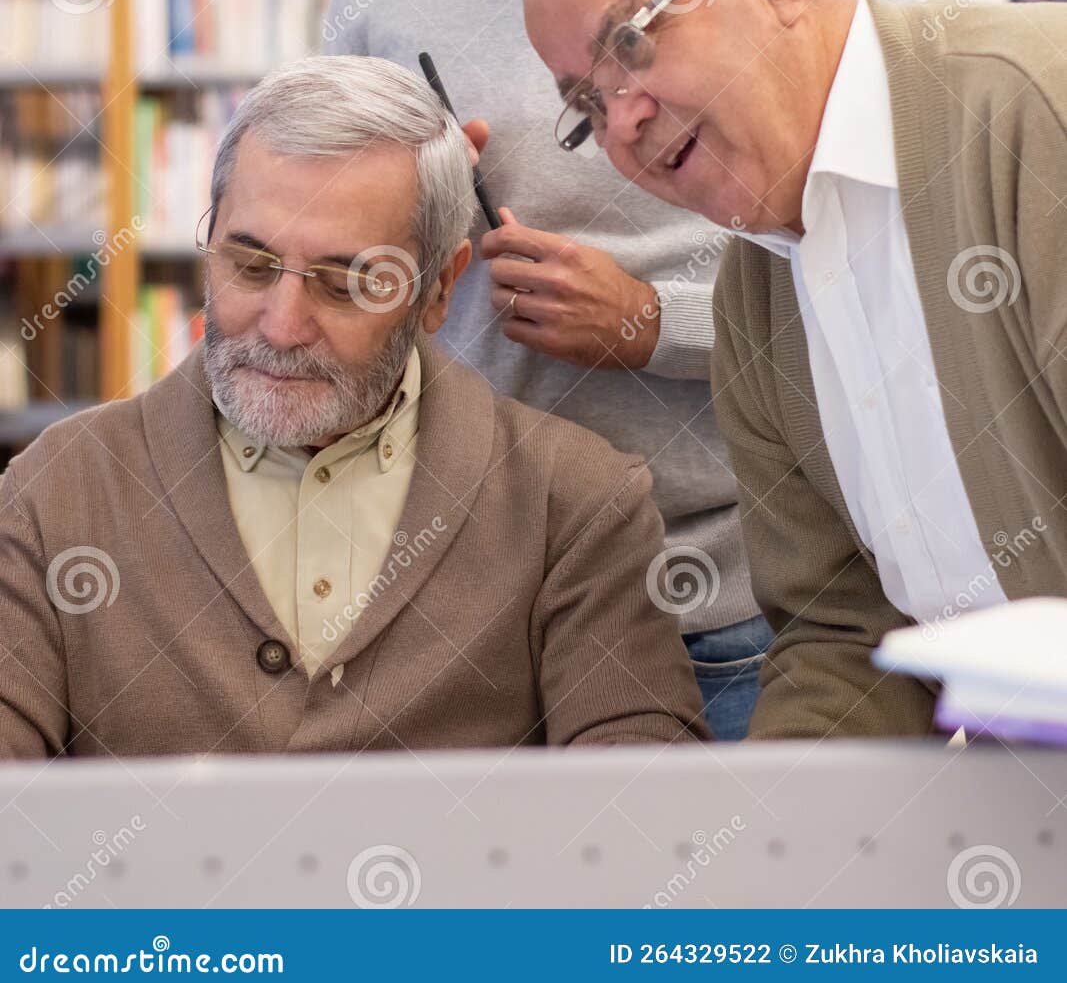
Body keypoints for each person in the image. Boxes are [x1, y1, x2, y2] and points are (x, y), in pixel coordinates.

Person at [323, 0, 909, 738]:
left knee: (707, 937)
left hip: (725, 611)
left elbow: (907, 283)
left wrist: (653, 327)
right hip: (459, 598)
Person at [496, 0, 1067, 739]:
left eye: (631, 46)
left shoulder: (1034, 118)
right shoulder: (757, 290)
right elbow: (842, 631)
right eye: (585, 105)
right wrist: (777, 852)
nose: (625, 120)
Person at [0, 57, 707, 758]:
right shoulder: (55, 491)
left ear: (438, 290)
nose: (280, 326)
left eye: (343, 284)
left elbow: (638, 807)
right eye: (250, 265)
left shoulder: (575, 501)